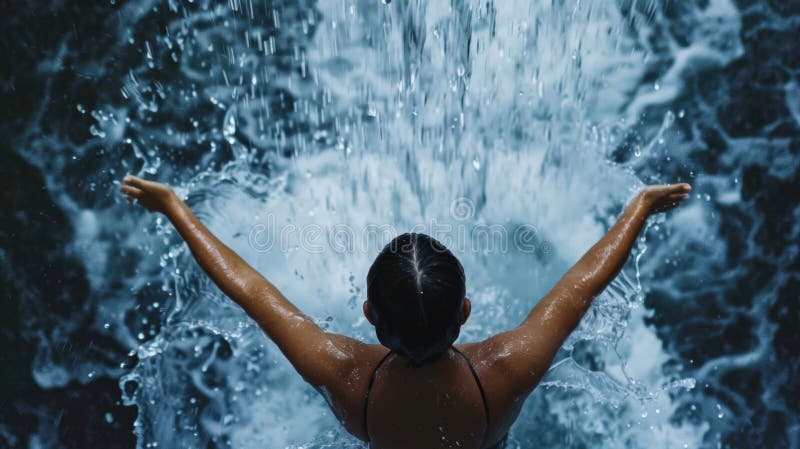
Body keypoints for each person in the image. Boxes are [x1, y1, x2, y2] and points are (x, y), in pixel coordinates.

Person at [120, 175, 691, 449]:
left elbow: (249, 289)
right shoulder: (506, 371)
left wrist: (176, 208)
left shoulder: (344, 375)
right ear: (466, 312)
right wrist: (637, 210)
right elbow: (578, 289)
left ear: (369, 314)